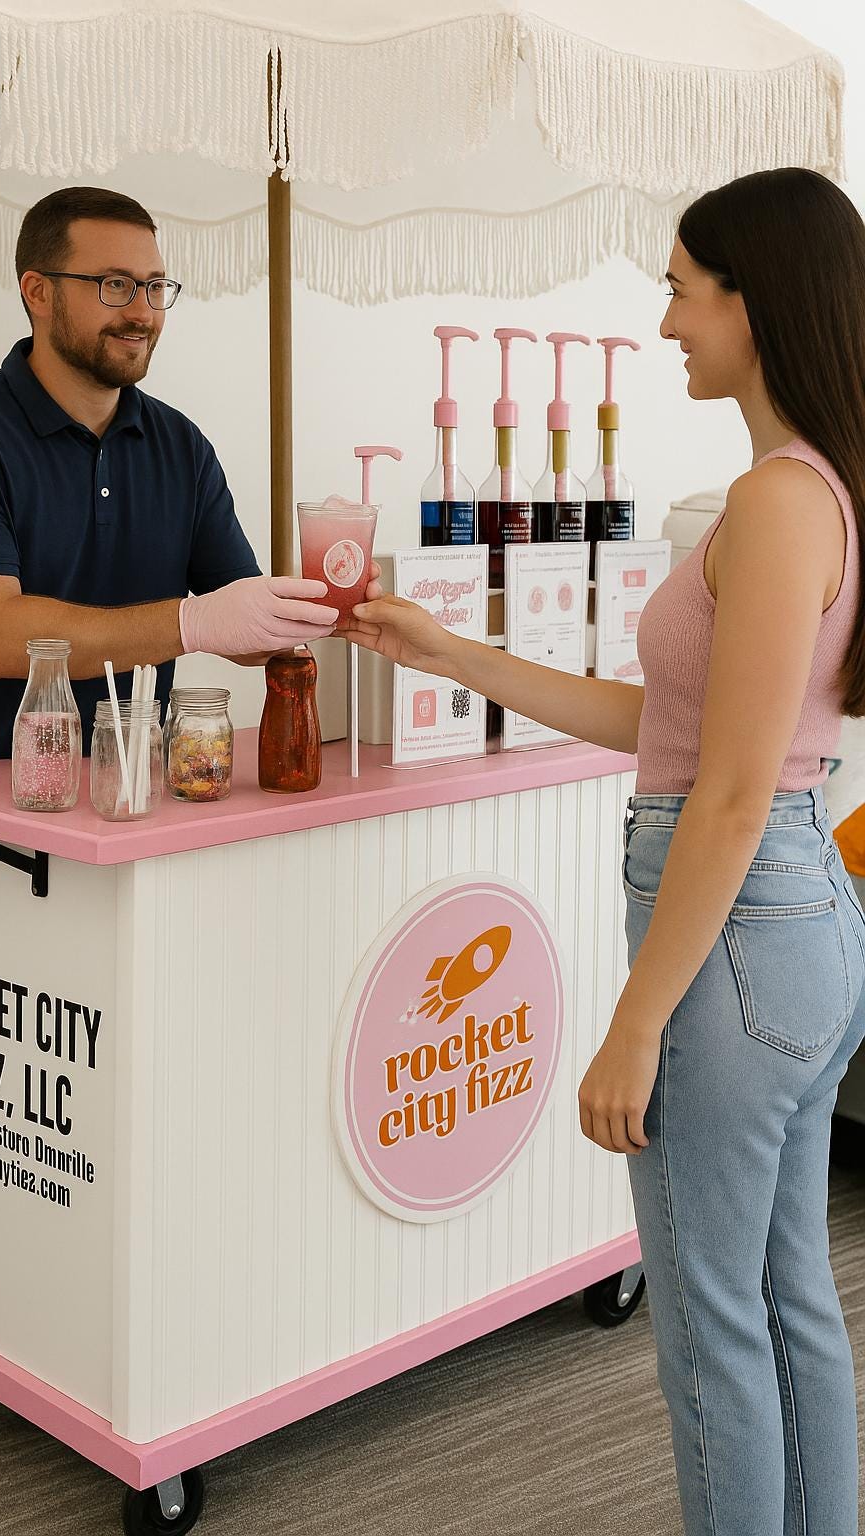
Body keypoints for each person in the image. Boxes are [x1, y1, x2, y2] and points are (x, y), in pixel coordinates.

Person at [343, 168, 865, 1535]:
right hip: (796, 922)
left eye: (685, 292)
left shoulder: (777, 502)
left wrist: (637, 1023)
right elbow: (673, 730)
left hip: (739, 935)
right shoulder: (815, 491)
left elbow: (730, 793)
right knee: (784, 1292)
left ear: (757, 304)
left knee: (713, 1323)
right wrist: (455, 651)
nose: (666, 323)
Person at [0, 185, 342, 854]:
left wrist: (327, 601)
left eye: (156, 286)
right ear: (37, 292)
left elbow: (244, 631)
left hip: (125, 810)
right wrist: (190, 623)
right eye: (114, 285)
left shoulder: (181, 448)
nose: (142, 312)